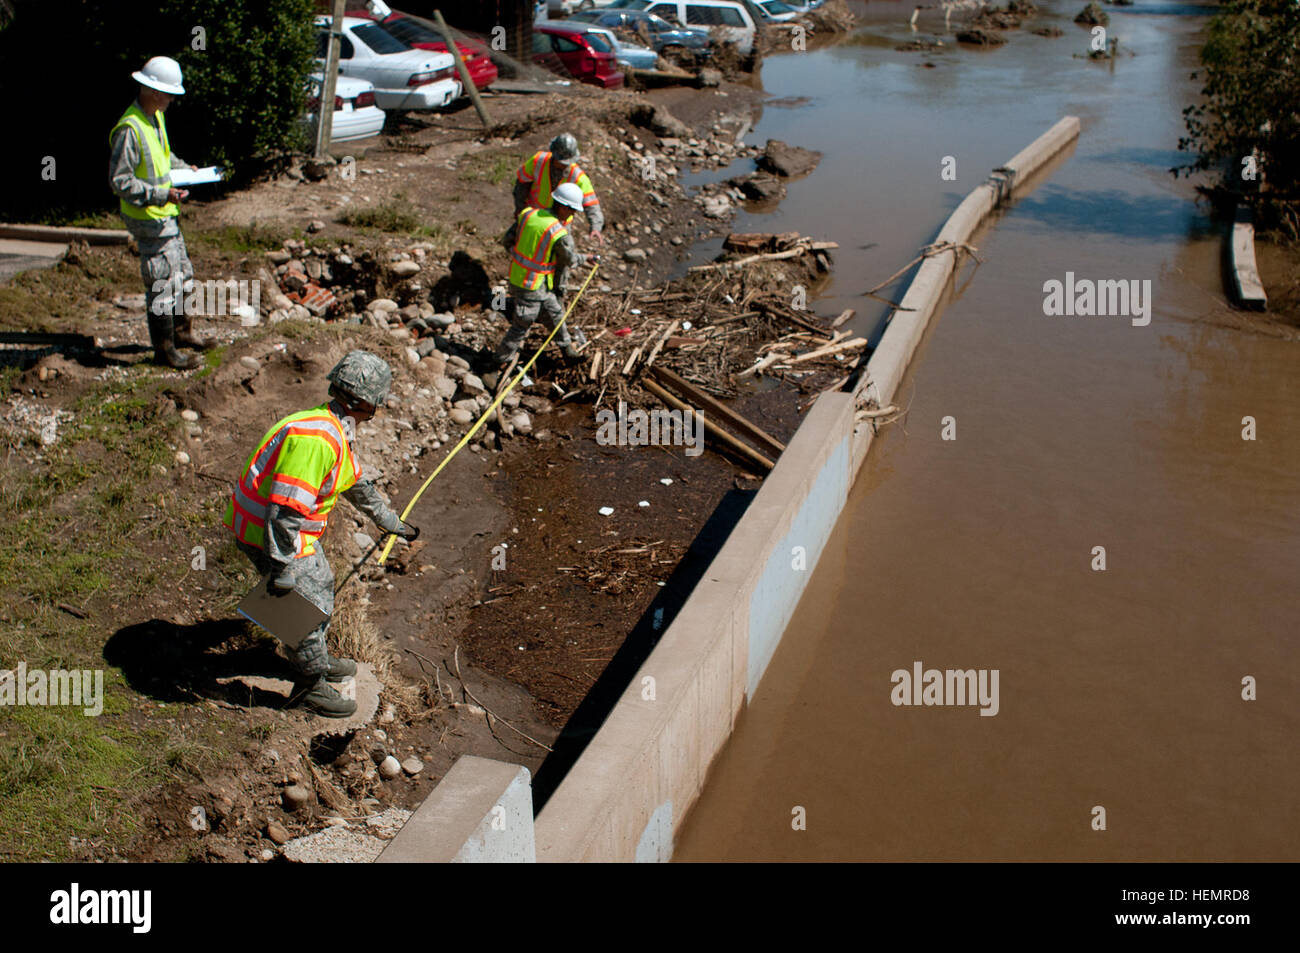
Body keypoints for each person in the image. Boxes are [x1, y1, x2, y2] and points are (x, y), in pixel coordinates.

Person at [223, 351, 419, 717]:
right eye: (377, 403)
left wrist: (387, 518)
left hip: (283, 534)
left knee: (320, 585)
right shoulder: (318, 441)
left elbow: (354, 479)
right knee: (306, 607)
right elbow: (285, 511)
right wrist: (282, 569)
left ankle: (315, 657)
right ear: (364, 402)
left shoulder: (329, 424)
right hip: (270, 536)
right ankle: (309, 686)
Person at [109, 56, 212, 370]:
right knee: (161, 283)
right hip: (148, 218)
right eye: (167, 93)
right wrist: (159, 194)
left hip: (165, 213)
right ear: (151, 90)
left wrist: (185, 170)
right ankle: (165, 350)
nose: (171, 99)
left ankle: (182, 334)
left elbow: (162, 159)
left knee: (182, 275)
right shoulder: (130, 128)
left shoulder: (154, 119)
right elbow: (120, 181)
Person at [490, 182, 591, 372]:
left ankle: (567, 349)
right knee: (522, 325)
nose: (573, 216)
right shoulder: (556, 231)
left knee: (555, 313)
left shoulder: (528, 214)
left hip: (524, 279)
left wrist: (519, 257)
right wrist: (587, 259)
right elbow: (568, 259)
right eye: (572, 211)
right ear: (563, 207)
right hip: (530, 284)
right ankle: (496, 363)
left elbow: (507, 240)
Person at [514, 133, 604, 246]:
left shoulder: (578, 177)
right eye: (560, 161)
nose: (563, 165)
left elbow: (592, 205)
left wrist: (595, 227)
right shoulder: (538, 161)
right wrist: (520, 209)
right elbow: (521, 185)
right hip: (535, 217)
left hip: (560, 224)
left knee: (562, 255)